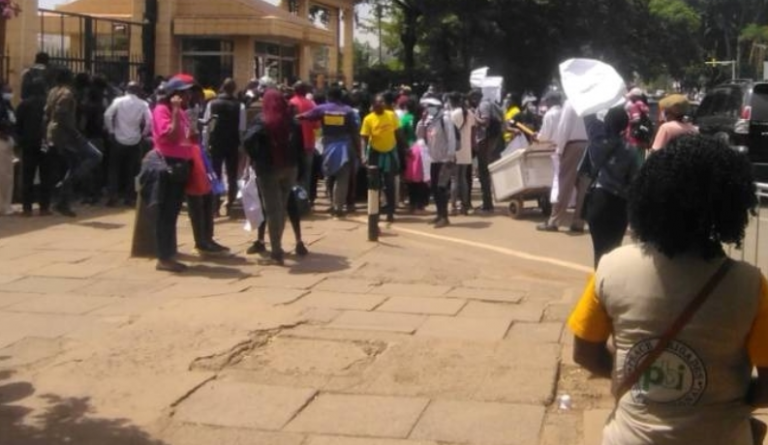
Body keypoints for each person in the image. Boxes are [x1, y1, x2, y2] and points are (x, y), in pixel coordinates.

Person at [567, 134, 768, 445]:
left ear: (649, 196)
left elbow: (584, 353)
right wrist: (729, 396)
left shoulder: (612, 268)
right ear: (732, 205)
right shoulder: (752, 286)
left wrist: (644, 379)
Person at [243, 89, 302, 265]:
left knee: (272, 210)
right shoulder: (292, 121)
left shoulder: (262, 120)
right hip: (290, 168)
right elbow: (301, 145)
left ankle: (276, 251)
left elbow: (247, 141)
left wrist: (256, 156)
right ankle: (277, 245)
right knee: (281, 207)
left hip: (268, 169)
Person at [580, 107, 641, 267]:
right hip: (620, 205)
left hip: (599, 201)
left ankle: (599, 286)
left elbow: (589, 119)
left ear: (606, 122)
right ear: (625, 125)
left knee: (599, 251)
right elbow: (635, 180)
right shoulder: (631, 150)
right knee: (614, 250)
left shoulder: (596, 143)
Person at [150, 76, 197, 272]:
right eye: (185, 93)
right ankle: (163, 256)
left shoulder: (183, 113)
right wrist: (176, 111)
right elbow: (171, 135)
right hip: (168, 165)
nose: (188, 96)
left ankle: (169, 252)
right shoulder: (163, 111)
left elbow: (187, 137)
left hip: (182, 165)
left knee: (173, 211)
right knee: (166, 213)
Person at [45, 68, 103, 217]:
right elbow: (62, 116)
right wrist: (76, 134)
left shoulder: (53, 91)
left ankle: (63, 202)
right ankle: (65, 185)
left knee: (74, 165)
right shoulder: (67, 94)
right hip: (67, 135)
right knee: (96, 156)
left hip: (55, 133)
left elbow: (47, 112)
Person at [299, 86, 360, 218]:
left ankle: (332, 204)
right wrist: (359, 153)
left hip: (328, 147)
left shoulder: (322, 109)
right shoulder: (348, 111)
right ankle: (338, 207)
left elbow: (304, 117)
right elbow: (355, 133)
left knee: (328, 176)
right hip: (345, 147)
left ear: (329, 97)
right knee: (342, 178)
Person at [537, 100, 588, 233]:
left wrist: (559, 149)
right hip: (588, 145)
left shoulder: (571, 103)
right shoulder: (591, 103)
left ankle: (554, 221)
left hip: (573, 145)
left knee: (565, 183)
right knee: (583, 186)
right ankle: (578, 222)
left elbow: (564, 128)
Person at [104, 81, 152, 207]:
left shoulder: (118, 101)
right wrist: (143, 135)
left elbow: (107, 115)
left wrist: (111, 131)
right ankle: (129, 197)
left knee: (114, 169)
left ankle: (112, 196)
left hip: (118, 139)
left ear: (127, 89)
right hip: (135, 140)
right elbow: (149, 122)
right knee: (132, 170)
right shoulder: (143, 104)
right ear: (138, 91)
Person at [204, 78, 246, 216]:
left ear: (222, 87)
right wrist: (241, 146)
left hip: (216, 142)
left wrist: (205, 144)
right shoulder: (240, 106)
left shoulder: (212, 104)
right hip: (232, 143)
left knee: (215, 174)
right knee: (232, 174)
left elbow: (208, 126)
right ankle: (230, 203)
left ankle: (215, 206)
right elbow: (242, 129)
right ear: (234, 89)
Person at [361, 93, 403, 223]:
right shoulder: (368, 119)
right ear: (373, 105)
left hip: (390, 153)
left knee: (389, 183)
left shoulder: (391, 115)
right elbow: (364, 138)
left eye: (382, 102)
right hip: (375, 153)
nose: (380, 105)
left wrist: (405, 149)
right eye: (377, 103)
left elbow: (398, 133)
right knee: (375, 184)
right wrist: (363, 155)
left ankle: (390, 211)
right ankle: (375, 211)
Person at [418, 98, 457, 228]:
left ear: (436, 107)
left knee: (441, 188)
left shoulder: (445, 119)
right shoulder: (430, 120)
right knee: (434, 188)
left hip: (445, 159)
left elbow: (451, 138)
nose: (426, 109)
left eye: (428, 107)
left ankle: (444, 217)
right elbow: (421, 135)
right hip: (434, 159)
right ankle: (439, 214)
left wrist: (451, 156)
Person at [16, 79, 52, 216]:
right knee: (45, 175)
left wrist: (20, 140)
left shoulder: (23, 104)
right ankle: (44, 207)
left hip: (28, 144)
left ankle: (27, 208)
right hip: (45, 143)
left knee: (28, 176)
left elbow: (17, 124)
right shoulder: (48, 104)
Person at [469, 89, 504, 213]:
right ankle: (487, 202)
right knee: (485, 172)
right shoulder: (492, 104)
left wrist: (474, 116)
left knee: (484, 172)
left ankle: (487, 204)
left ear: (474, 97)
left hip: (485, 140)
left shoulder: (483, 105)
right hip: (492, 139)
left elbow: (485, 122)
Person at [289, 81, 318, 204]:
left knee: (293, 173)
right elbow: (317, 125)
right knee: (307, 173)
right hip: (308, 143)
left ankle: (292, 201)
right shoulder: (311, 104)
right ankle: (304, 200)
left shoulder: (290, 103)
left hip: (293, 145)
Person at [536, 92, 564, 206]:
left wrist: (537, 136)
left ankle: (555, 202)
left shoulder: (549, 114)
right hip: (565, 148)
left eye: (547, 101)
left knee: (555, 178)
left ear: (551, 101)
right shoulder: (564, 112)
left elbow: (544, 136)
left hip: (551, 150)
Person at [449, 92, 475, 215]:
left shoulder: (453, 114)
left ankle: (453, 206)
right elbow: (473, 131)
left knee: (454, 179)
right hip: (466, 149)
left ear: (452, 101)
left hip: (455, 149)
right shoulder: (470, 113)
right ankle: (465, 206)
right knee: (463, 178)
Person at [625, 87, 652, 164]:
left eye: (631, 96)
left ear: (635, 97)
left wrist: (628, 121)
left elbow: (636, 120)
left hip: (634, 137)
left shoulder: (635, 106)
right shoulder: (643, 105)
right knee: (641, 159)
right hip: (642, 136)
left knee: (635, 161)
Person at [0, 84, 15, 216]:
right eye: (7, 91)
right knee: (4, 175)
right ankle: (3, 206)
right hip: (2, 140)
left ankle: (5, 205)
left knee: (7, 175)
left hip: (7, 140)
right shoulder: (3, 105)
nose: (10, 93)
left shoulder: (7, 105)